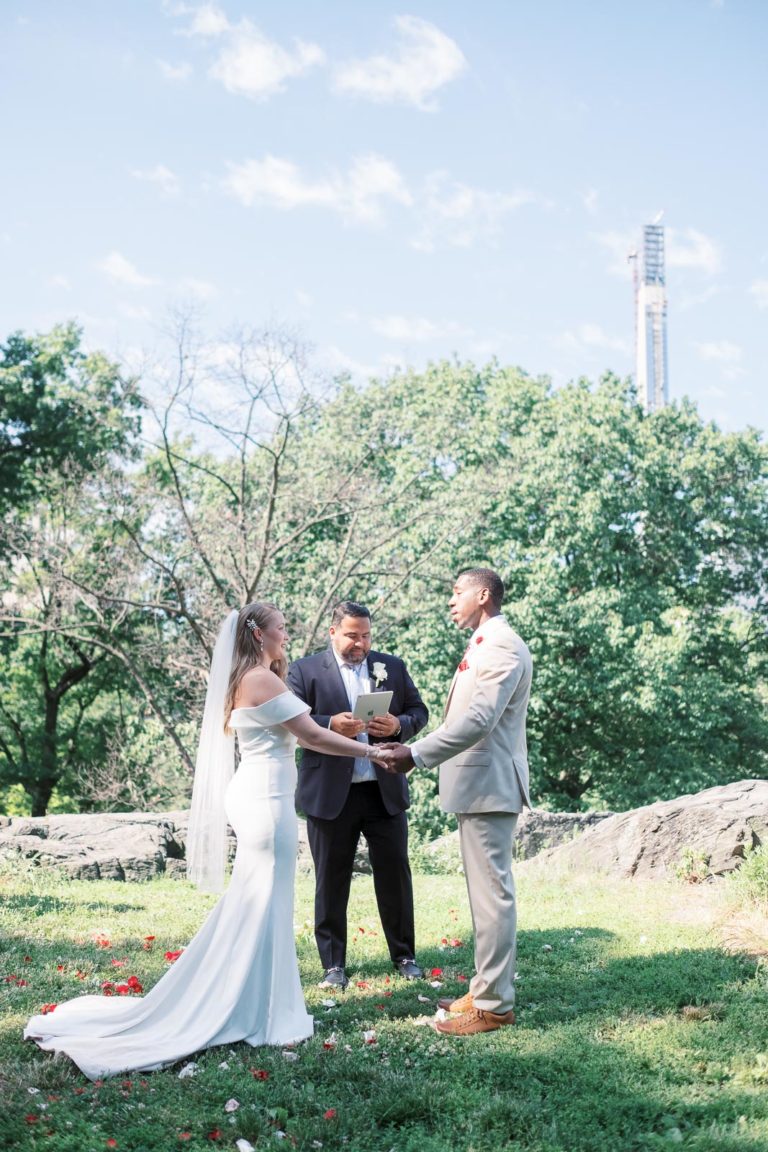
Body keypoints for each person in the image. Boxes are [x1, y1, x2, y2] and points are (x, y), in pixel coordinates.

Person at [24, 603, 392, 1080]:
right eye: (281, 628)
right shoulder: (260, 679)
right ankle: (253, 1008)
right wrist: (372, 750)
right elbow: (314, 738)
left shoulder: (255, 674)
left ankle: (259, 1000)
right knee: (262, 899)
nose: (288, 635)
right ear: (259, 634)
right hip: (264, 799)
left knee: (262, 900)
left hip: (263, 793)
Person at [381, 568, 532, 1036]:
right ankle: (486, 987)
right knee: (484, 897)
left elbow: (481, 718)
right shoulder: (484, 642)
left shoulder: (502, 644)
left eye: (457, 593)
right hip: (479, 787)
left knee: (492, 899)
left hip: (491, 786)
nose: (451, 601)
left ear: (483, 595)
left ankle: (493, 1006)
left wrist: (416, 753)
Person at [287, 600, 428, 990]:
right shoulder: (304, 671)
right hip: (331, 793)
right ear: (332, 632)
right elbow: (292, 723)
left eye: (366, 635)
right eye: (352, 635)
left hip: (384, 789)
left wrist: (398, 724)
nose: (360, 643)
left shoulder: (391, 666)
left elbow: (419, 710)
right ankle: (333, 965)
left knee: (395, 874)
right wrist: (328, 723)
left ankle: (405, 956)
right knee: (331, 880)